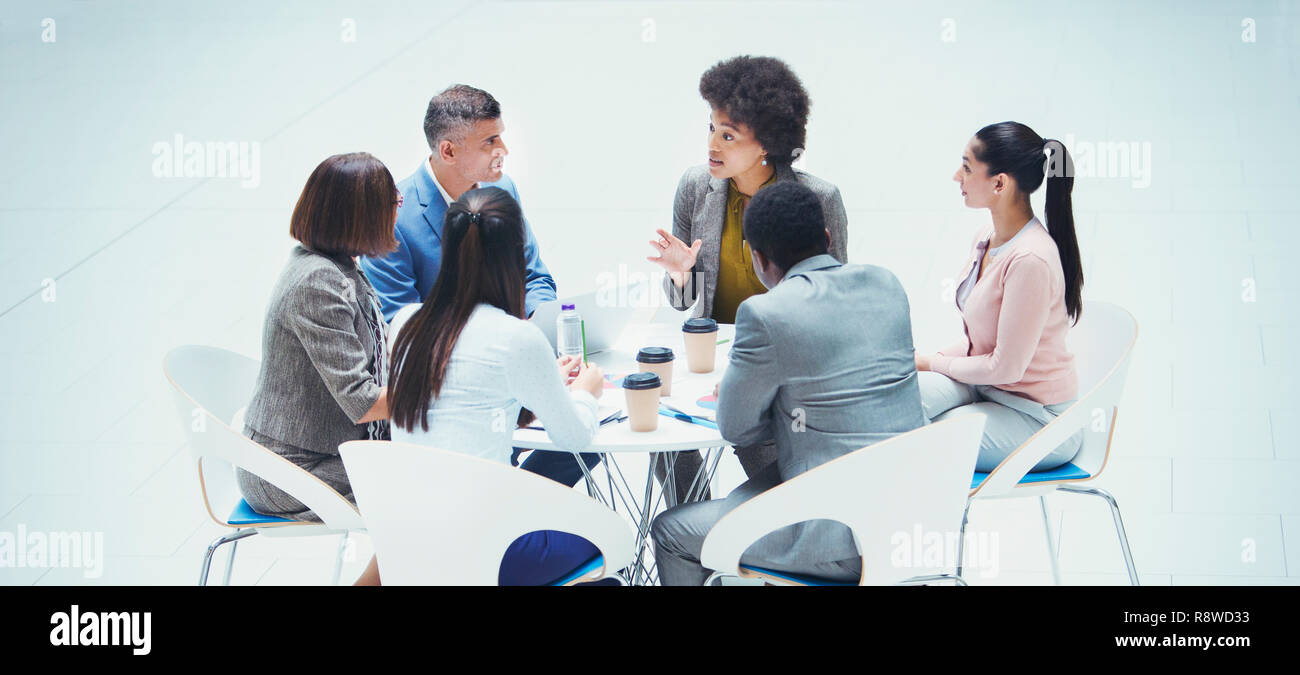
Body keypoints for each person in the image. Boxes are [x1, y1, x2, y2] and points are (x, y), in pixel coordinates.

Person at [650, 181, 925, 585]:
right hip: (915, 516)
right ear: (827, 239)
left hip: (835, 539)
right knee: (740, 503)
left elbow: (735, 428)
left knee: (672, 531)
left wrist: (753, 397)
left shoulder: (765, 313)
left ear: (758, 259)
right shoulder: (887, 284)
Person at [353, 186, 609, 586]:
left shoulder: (404, 324)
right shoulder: (515, 337)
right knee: (605, 535)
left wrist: (543, 382)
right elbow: (574, 436)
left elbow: (461, 396)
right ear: (513, 257)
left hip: (413, 544)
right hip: (491, 548)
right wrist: (584, 392)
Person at [360, 83, 597, 486]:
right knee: (580, 433)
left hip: (518, 364)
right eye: (490, 141)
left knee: (576, 442)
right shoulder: (394, 216)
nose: (503, 149)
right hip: (449, 390)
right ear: (448, 151)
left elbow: (533, 275)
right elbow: (401, 327)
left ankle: (516, 495)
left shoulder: (502, 190)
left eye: (501, 136)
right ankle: (519, 507)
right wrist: (510, 359)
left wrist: (538, 334)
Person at [645, 55, 851, 502]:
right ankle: (689, 528)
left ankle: (759, 537)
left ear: (766, 145)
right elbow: (683, 304)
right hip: (710, 354)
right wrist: (680, 277)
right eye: (711, 128)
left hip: (779, 362)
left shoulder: (816, 199)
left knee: (765, 457)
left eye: (728, 135)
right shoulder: (696, 186)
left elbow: (834, 302)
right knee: (659, 435)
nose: (712, 144)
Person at [913, 121, 1085, 473]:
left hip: (1040, 419)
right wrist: (920, 360)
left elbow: (1006, 366)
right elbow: (981, 344)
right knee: (892, 407)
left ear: (1000, 183)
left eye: (966, 167)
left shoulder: (1030, 260)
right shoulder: (987, 236)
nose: (955, 177)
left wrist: (933, 363)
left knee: (921, 442)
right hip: (993, 390)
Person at [237, 152, 396, 523]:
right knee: (425, 481)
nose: (397, 212)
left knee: (426, 473)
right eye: (393, 203)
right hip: (290, 471)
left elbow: (378, 348)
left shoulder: (336, 266)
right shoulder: (318, 282)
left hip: (317, 456)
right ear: (364, 215)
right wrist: (442, 391)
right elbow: (364, 402)